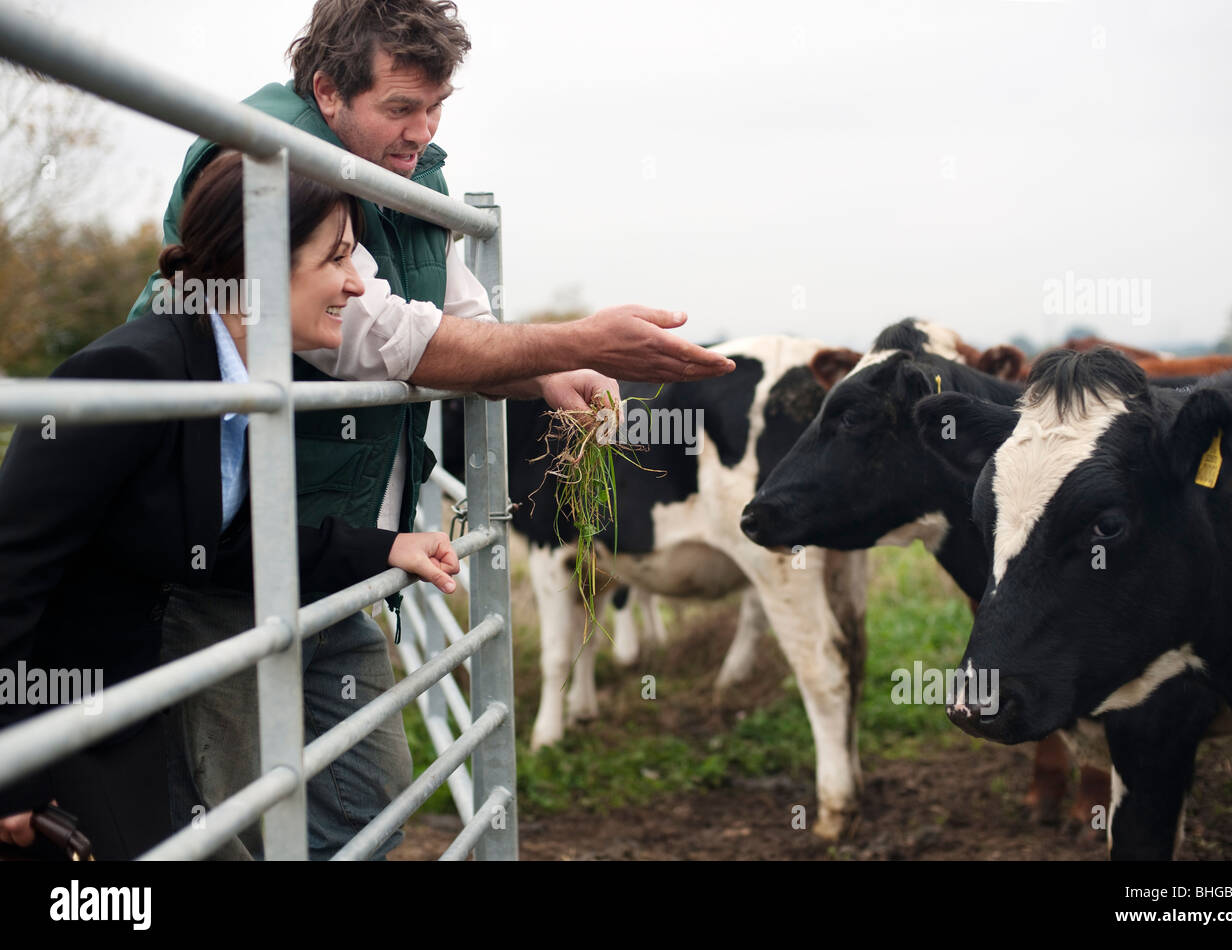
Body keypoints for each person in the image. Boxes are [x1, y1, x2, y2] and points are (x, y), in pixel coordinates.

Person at [124, 0, 736, 860]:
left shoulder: (414, 178)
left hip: (334, 548)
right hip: (221, 555)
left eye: (437, 105)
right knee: (238, 815)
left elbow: (463, 321)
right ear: (329, 90)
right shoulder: (265, 163)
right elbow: (367, 337)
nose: (423, 130)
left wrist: (551, 370)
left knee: (366, 793)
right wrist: (575, 336)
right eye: (401, 108)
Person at [0, 151, 462, 860]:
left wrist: (383, 547)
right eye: (337, 258)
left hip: (133, 708)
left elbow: (225, 541)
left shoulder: (238, 377)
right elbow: (10, 572)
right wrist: (15, 772)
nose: (355, 282)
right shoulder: (135, 373)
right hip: (68, 722)